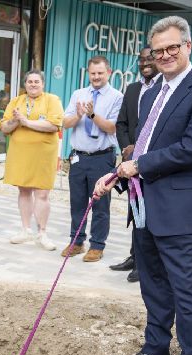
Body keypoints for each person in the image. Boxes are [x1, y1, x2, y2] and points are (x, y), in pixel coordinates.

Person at [94, 16, 192, 355]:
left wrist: (139, 165)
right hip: (144, 204)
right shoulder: (150, 93)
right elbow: (142, 148)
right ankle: (155, 352)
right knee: (151, 282)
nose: (166, 55)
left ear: (188, 47)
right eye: (159, 50)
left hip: (180, 209)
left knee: (185, 291)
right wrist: (118, 174)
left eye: (173, 47)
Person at [61, 56, 123, 262]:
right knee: (77, 202)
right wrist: (79, 115)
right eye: (92, 73)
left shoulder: (116, 97)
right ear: (88, 73)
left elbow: (112, 127)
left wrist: (92, 115)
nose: (96, 77)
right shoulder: (79, 94)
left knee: (100, 204)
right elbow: (65, 123)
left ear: (109, 73)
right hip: (79, 158)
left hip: (101, 158)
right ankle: (76, 241)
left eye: (100, 73)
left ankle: (97, 245)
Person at [109, 47, 159, 282]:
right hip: (130, 162)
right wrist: (127, 149)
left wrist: (139, 152)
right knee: (134, 210)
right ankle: (134, 256)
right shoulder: (132, 89)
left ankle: (145, 263)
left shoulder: (163, 89)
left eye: (151, 58)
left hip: (151, 164)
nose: (146, 63)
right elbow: (122, 124)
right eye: (142, 59)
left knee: (147, 214)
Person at [0, 70, 64, 251]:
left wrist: (26, 122)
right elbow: (4, 127)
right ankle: (26, 229)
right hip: (21, 153)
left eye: (37, 81)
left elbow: (53, 125)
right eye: (29, 82)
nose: (33, 84)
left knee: (42, 194)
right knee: (24, 191)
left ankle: (42, 232)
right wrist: (15, 121)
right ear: (25, 84)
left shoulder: (52, 100)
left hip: (44, 154)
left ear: (42, 84)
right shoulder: (16, 101)